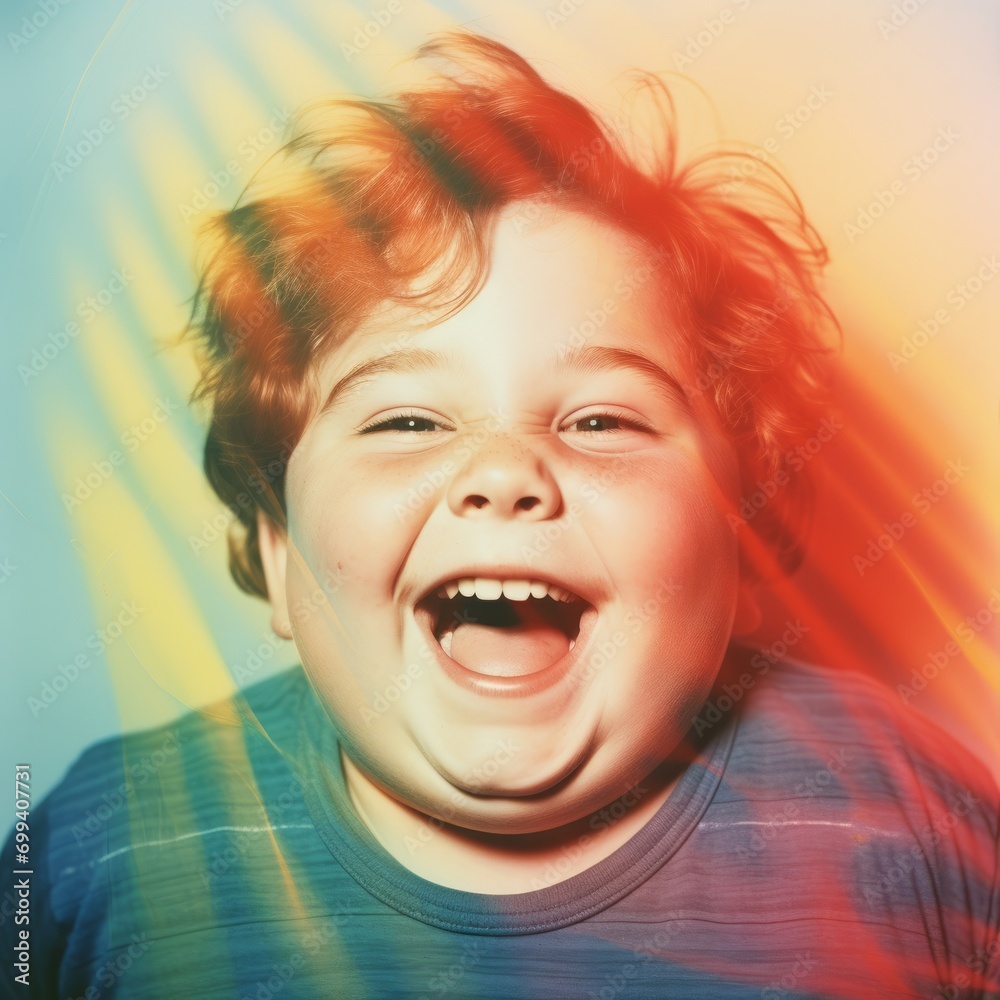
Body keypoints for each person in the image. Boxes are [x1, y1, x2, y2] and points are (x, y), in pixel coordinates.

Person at [3, 32, 998, 1000]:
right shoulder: (101, 851)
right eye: (406, 419)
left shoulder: (917, 824)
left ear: (737, 543)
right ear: (274, 544)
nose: (503, 472)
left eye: (602, 418)